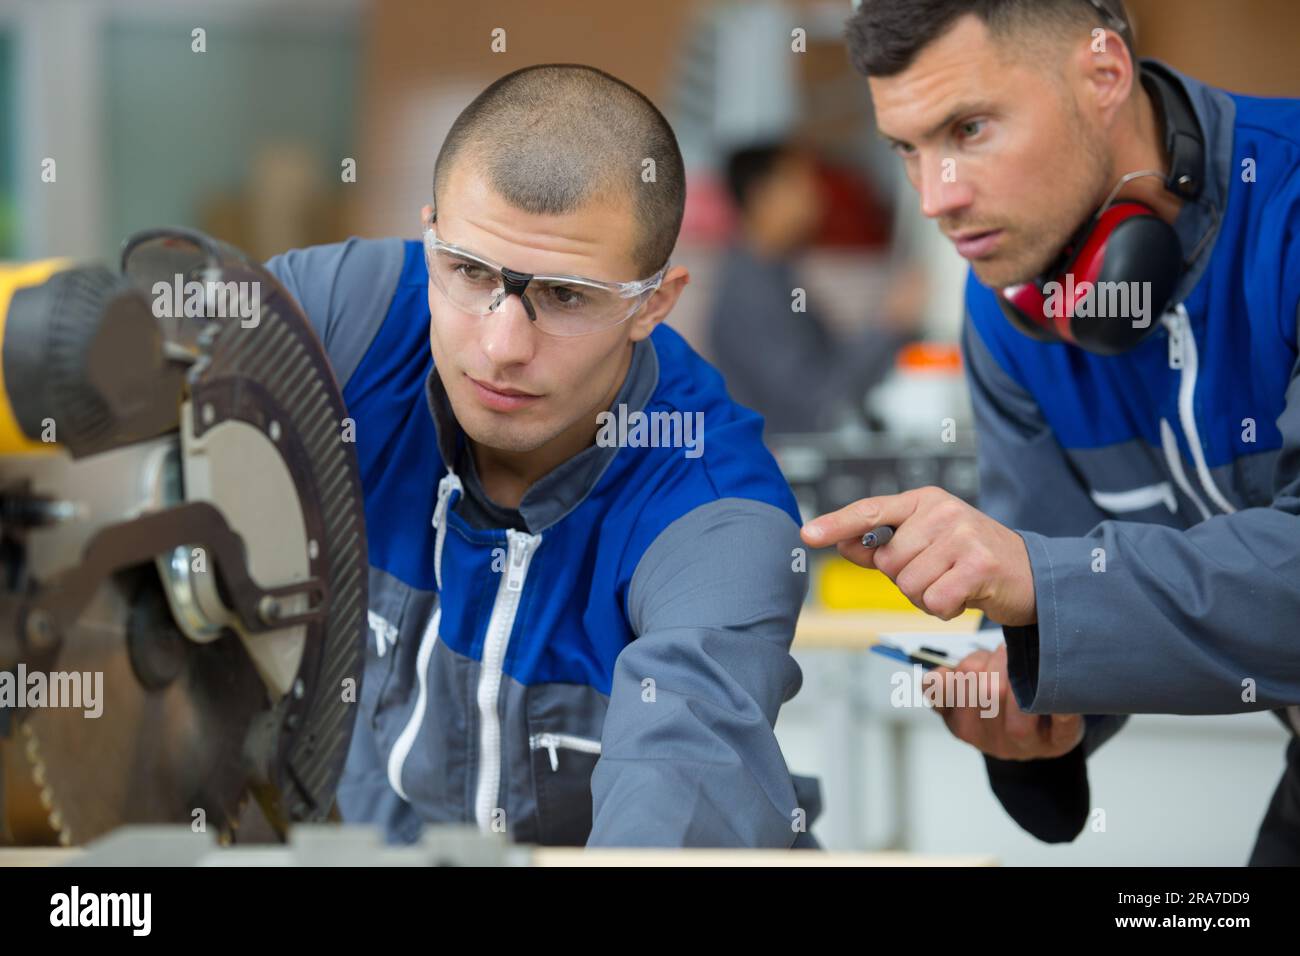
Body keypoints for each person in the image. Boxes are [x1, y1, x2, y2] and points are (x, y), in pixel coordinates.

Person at [265, 64, 821, 848]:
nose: (500, 347)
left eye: (565, 296)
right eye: (470, 273)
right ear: (430, 240)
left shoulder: (714, 509)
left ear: (654, 303)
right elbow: (102, 363)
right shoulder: (349, 321)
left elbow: (679, 804)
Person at [800, 0, 1300, 862]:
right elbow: (1067, 591)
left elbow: (1059, 575)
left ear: (1103, 74)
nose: (934, 197)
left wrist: (1043, 579)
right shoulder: (1011, 309)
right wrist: (1038, 707)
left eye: (970, 128)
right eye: (907, 150)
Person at [708, 140, 919, 435]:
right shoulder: (753, 294)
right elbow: (818, 402)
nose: (817, 198)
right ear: (762, 197)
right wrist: (889, 324)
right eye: (801, 185)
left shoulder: (775, 275)